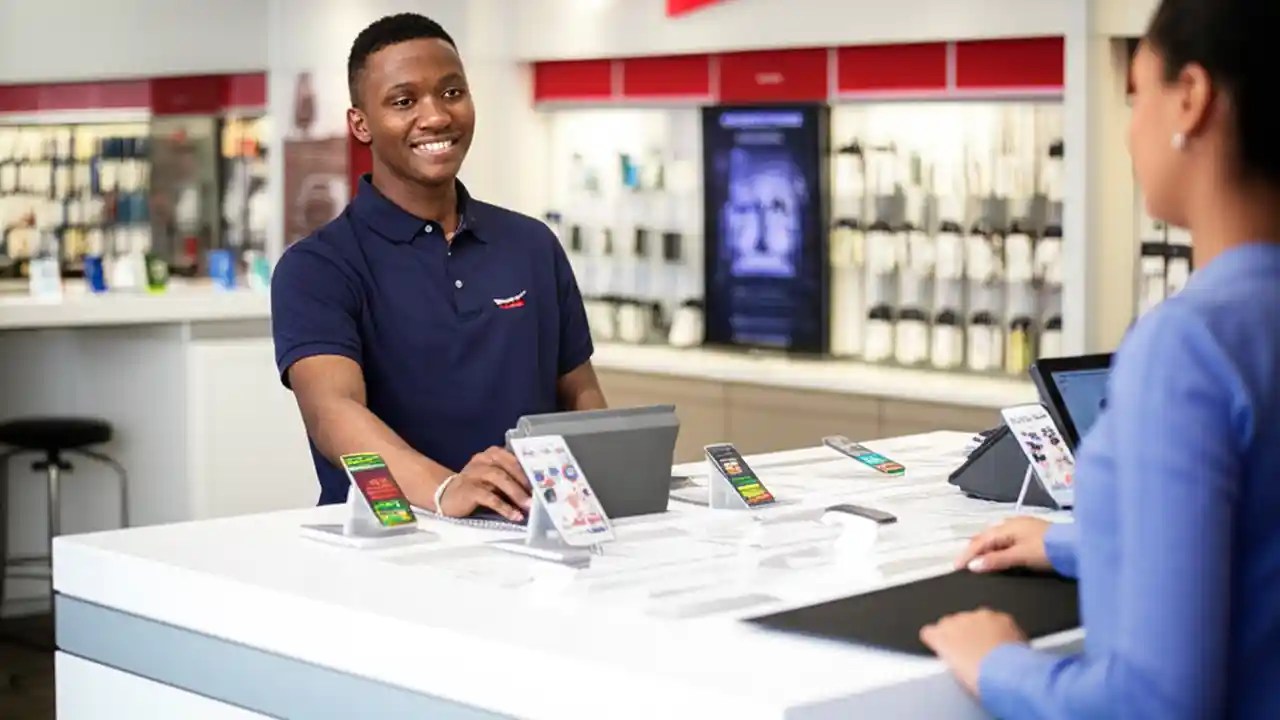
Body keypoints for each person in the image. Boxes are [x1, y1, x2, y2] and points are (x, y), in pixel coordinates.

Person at [920, 1, 1280, 717]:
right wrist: (1077, 543)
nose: (1128, 128)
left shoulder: (1190, 346)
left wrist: (998, 665)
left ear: (1191, 98)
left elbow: (1151, 703)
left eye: (1136, 96)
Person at [271, 13, 606, 523]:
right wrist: (446, 489)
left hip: (528, 534)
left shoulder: (532, 244)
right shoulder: (317, 267)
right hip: (389, 543)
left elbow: (580, 391)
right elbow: (333, 413)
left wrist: (611, 483)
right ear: (360, 124)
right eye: (403, 101)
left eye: (452, 93)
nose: (435, 116)